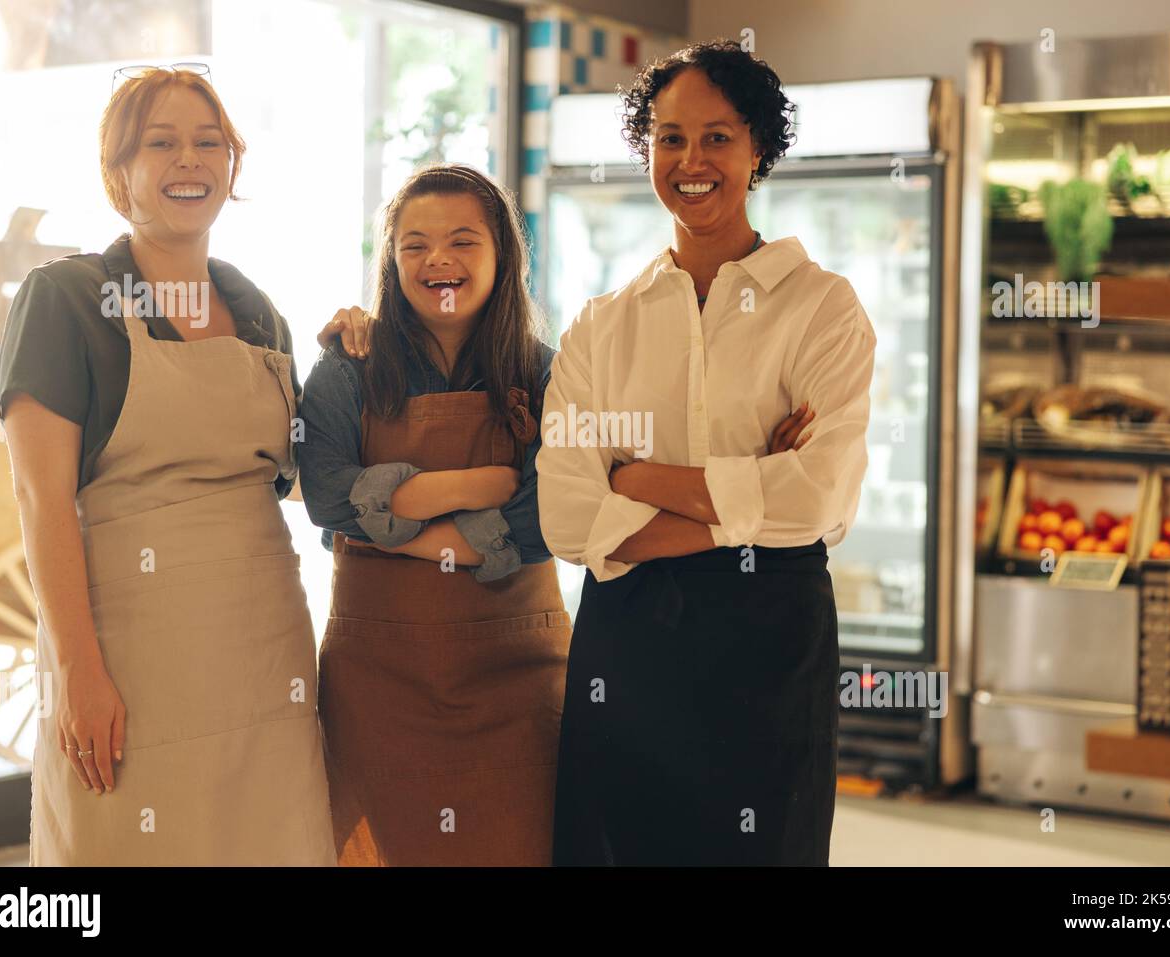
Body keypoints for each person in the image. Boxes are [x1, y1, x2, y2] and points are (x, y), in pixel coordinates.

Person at [0, 66, 362, 865]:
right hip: (128, 660)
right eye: (160, 143)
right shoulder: (65, 299)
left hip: (265, 653)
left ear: (232, 166)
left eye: (209, 143)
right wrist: (78, 673)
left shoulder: (259, 308)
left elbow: (306, 477)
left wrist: (359, 353)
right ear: (116, 170)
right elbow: (39, 498)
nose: (189, 161)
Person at [537, 40, 877, 866]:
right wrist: (750, 495)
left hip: (771, 644)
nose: (691, 161)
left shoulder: (822, 309)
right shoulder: (599, 325)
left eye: (717, 137)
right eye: (669, 138)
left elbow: (817, 501)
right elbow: (570, 517)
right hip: (628, 649)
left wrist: (642, 480)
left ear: (759, 148)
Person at [299, 164, 569, 866]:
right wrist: (477, 484)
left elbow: (545, 518)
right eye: (414, 243)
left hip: (516, 673)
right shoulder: (348, 364)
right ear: (391, 257)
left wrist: (388, 522)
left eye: (462, 241)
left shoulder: (545, 373)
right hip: (378, 682)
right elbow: (324, 495)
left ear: (502, 252)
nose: (437, 260)